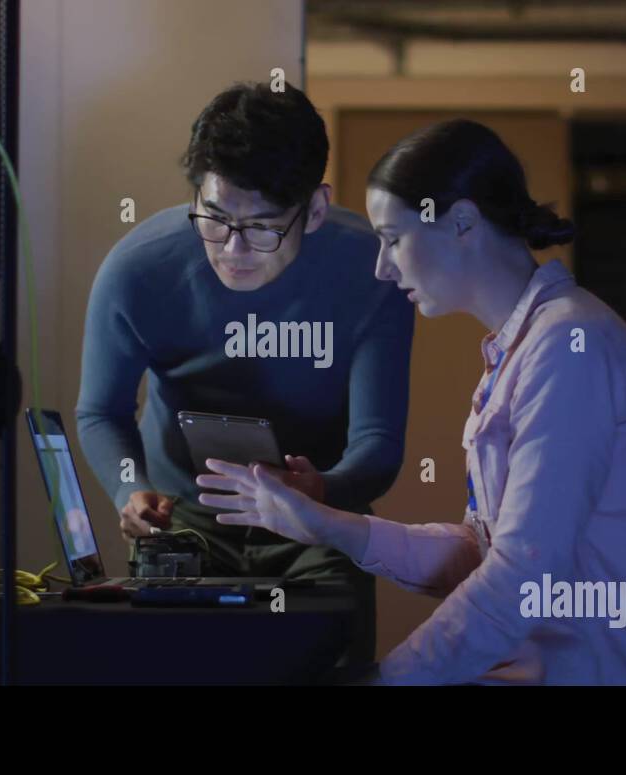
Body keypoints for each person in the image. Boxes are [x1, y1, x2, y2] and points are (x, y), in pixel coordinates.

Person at [196, 119, 626, 685]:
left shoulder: (569, 347)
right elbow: (479, 551)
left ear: (461, 221)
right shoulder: (526, 346)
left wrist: (387, 680)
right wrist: (327, 525)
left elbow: (517, 580)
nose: (382, 267)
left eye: (393, 239)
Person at [76, 82, 414, 662]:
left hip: (318, 526)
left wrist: (320, 491)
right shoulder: (139, 270)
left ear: (315, 208)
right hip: (185, 525)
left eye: (262, 228)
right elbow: (101, 411)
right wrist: (130, 488)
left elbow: (378, 444)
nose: (233, 249)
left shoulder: (372, 270)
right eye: (214, 218)